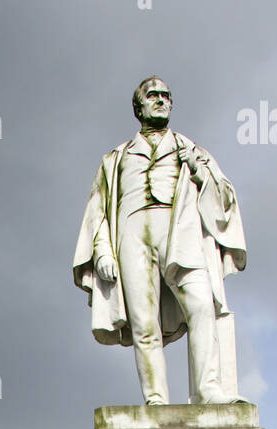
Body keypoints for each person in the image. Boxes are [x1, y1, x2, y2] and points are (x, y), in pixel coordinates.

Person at [73, 77, 246, 405]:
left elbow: (225, 198)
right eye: (153, 95)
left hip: (180, 228)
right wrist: (103, 251)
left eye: (166, 96)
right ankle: (156, 401)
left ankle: (208, 389)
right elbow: (99, 211)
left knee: (201, 303)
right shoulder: (116, 158)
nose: (161, 100)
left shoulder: (190, 149)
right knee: (144, 322)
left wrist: (197, 170)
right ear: (139, 106)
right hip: (132, 233)